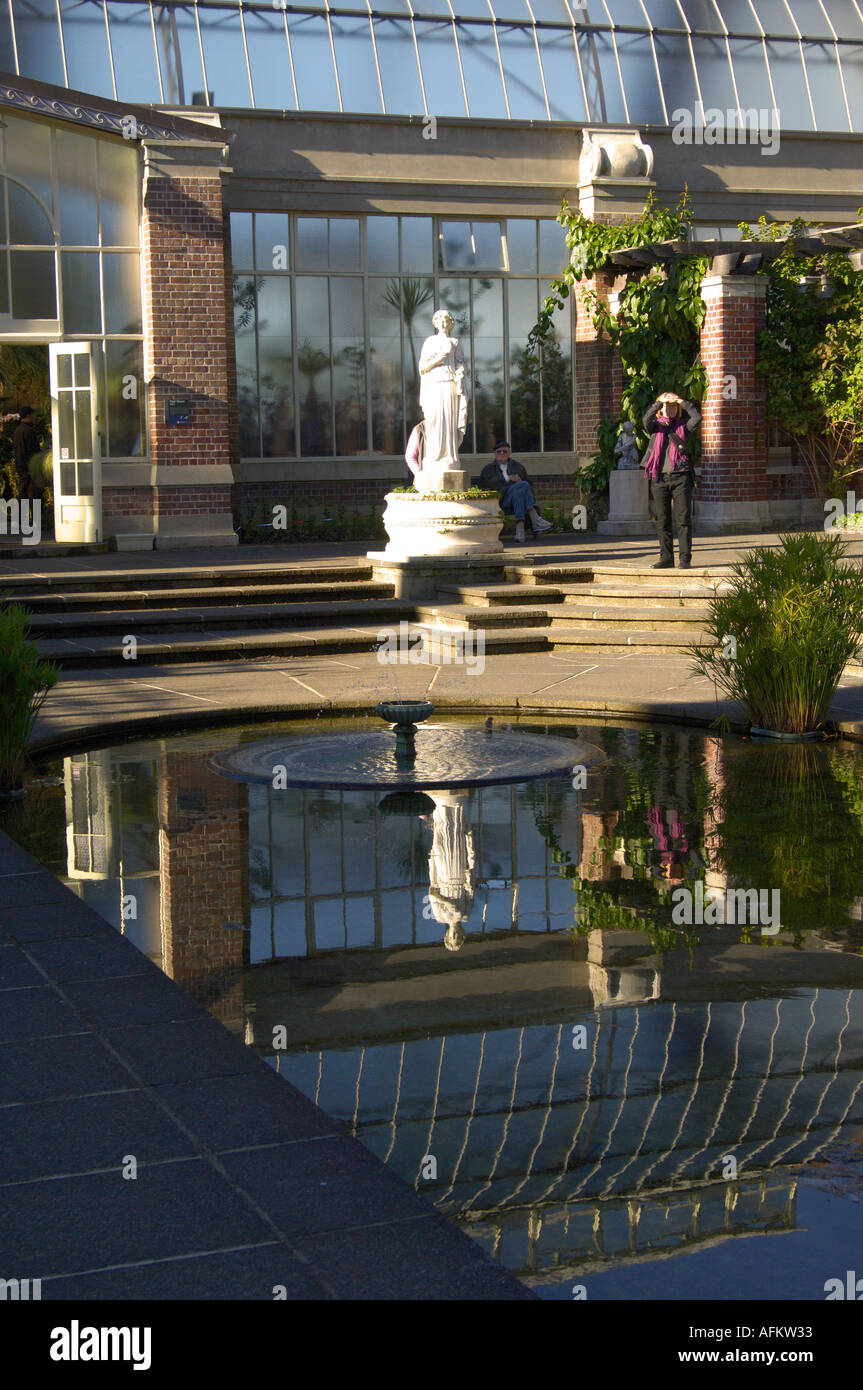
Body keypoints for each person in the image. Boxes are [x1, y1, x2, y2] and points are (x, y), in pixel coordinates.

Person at [641, 392, 700, 570]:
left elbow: (697, 417)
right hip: (659, 478)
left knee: (683, 519)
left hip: (681, 476)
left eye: (673, 406)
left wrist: (681, 401)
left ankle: (684, 559)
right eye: (667, 406)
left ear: (678, 409)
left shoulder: (684, 427)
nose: (670, 408)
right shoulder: (655, 427)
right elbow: (646, 419)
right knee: (663, 520)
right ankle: (666, 558)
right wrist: (659, 402)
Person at [417, 309, 467, 477]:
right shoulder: (430, 342)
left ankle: (449, 455)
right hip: (434, 385)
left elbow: (460, 363)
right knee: (434, 419)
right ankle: (434, 456)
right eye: (440, 320)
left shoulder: (455, 342)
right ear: (435, 323)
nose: (444, 323)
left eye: (447, 319)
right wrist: (439, 358)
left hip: (449, 385)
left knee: (449, 420)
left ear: (451, 323)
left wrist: (461, 371)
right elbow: (422, 367)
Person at [478, 441, 552, 543]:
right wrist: (509, 478)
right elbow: (489, 484)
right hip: (499, 500)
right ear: (495, 454)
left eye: (505, 451)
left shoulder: (517, 466)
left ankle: (520, 531)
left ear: (509, 453)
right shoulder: (489, 469)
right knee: (522, 485)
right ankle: (535, 518)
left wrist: (519, 483)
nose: (502, 454)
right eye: (499, 452)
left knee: (520, 491)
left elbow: (529, 486)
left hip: (517, 501)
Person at [12, 405, 40, 504]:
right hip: (30, 466)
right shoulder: (29, 431)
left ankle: (21, 518)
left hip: (20, 465)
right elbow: (33, 451)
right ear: (28, 415)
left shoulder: (17, 431)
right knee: (33, 495)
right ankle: (36, 518)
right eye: (32, 414)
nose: (34, 416)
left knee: (23, 493)